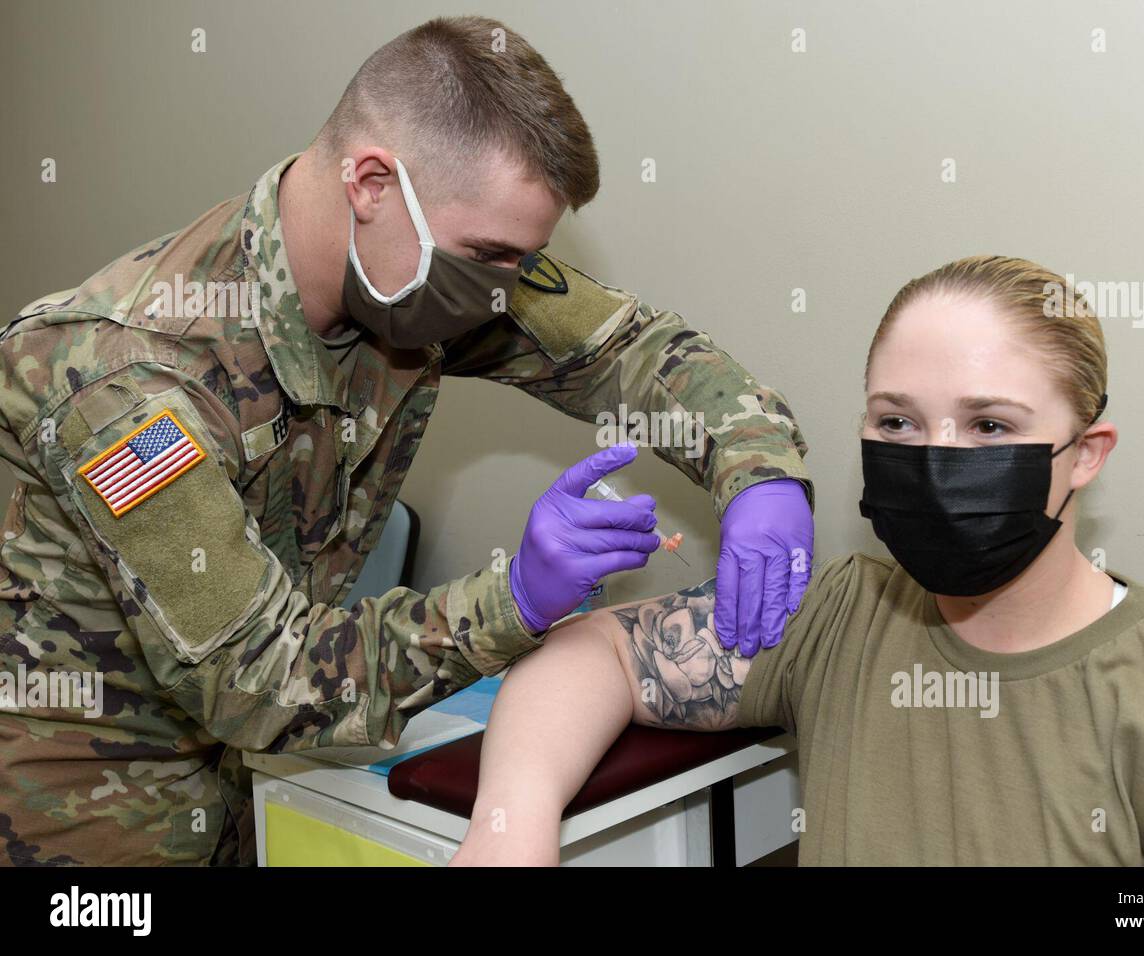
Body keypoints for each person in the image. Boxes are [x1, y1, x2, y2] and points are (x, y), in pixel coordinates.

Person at [0, 16, 814, 866]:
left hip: (255, 783)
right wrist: (516, 601)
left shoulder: (415, 274)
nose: (508, 287)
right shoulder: (127, 379)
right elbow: (257, 679)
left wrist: (761, 475)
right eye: (490, 256)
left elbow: (631, 350)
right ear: (373, 185)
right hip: (88, 824)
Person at [450, 255, 1144, 866]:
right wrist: (511, 828)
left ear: (1086, 453)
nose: (934, 458)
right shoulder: (837, 618)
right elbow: (592, 655)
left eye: (990, 427)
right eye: (896, 422)